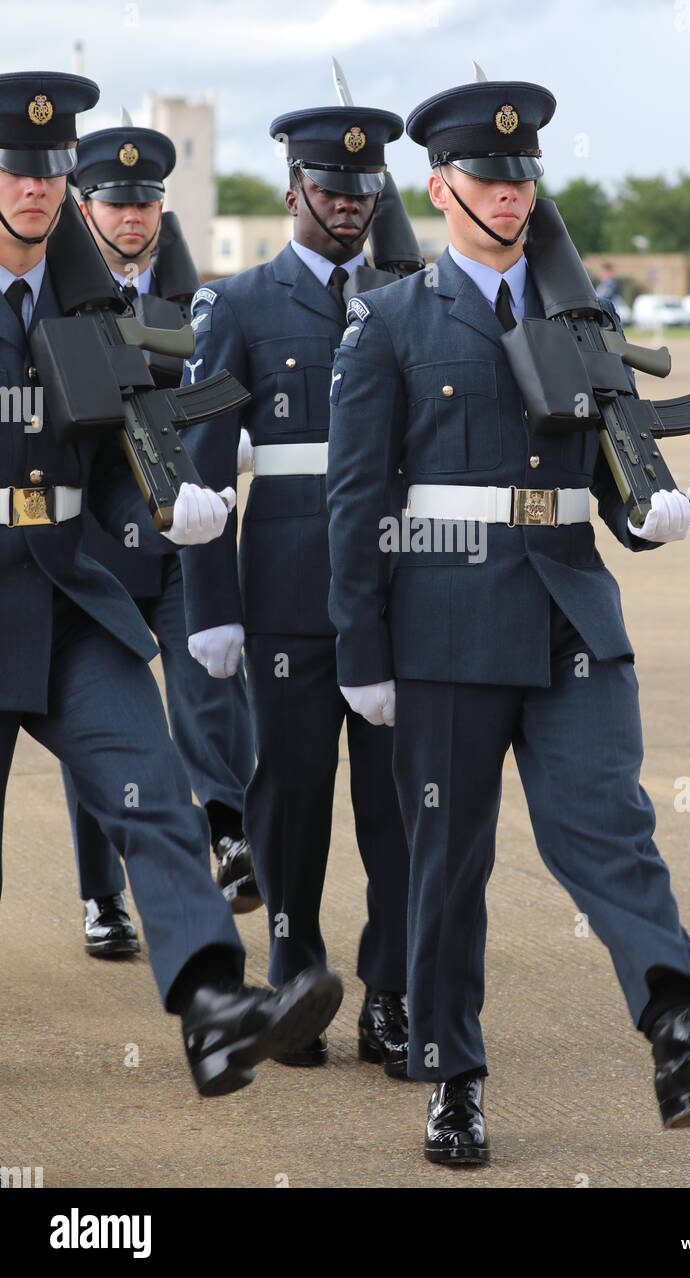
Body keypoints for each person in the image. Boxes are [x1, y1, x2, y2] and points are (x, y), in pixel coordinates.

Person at [325, 79, 690, 1163]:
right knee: (448, 859)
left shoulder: (581, 318)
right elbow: (356, 503)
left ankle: (680, 1033)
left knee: (609, 831)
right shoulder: (391, 322)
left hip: (569, 613)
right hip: (441, 625)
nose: (509, 194)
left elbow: (604, 465)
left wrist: (651, 515)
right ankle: (452, 1076)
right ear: (442, 187)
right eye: (488, 179)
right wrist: (360, 650)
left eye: (523, 176)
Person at [0, 70, 341, 1096]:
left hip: (65, 596)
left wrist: (167, 503)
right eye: (16, 171)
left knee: (151, 791)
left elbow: (112, 455)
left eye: (50, 174)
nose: (35, 190)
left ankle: (212, 1006)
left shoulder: (90, 306)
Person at [180, 104, 410, 1075]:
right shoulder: (237, 305)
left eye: (362, 193)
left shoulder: (414, 296)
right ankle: (293, 969)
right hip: (284, 588)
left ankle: (393, 992)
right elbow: (199, 473)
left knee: (399, 804)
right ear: (292, 194)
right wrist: (212, 605)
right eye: (329, 191)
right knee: (292, 793)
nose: (348, 208)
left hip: (400, 584)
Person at [61, 124, 258, 959]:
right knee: (100, 722)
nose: (133, 217)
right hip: (95, 543)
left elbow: (225, 384)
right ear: (85, 205)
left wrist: (231, 436)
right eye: (116, 202)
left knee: (210, 679)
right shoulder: (57, 298)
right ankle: (104, 895)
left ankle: (230, 831)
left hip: (187, 535)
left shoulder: (196, 301)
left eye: (145, 203)